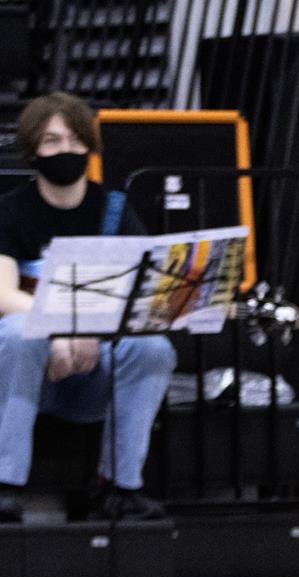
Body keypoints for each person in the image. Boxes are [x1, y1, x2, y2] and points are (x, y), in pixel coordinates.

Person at [0, 90, 175, 523]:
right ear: (33, 151)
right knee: (20, 331)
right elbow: (3, 295)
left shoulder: (113, 209)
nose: (67, 151)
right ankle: (5, 482)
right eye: (53, 142)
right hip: (32, 369)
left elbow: (142, 295)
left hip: (94, 369)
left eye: (77, 140)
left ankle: (119, 487)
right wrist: (60, 329)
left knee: (154, 347)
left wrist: (91, 331)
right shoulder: (9, 211)